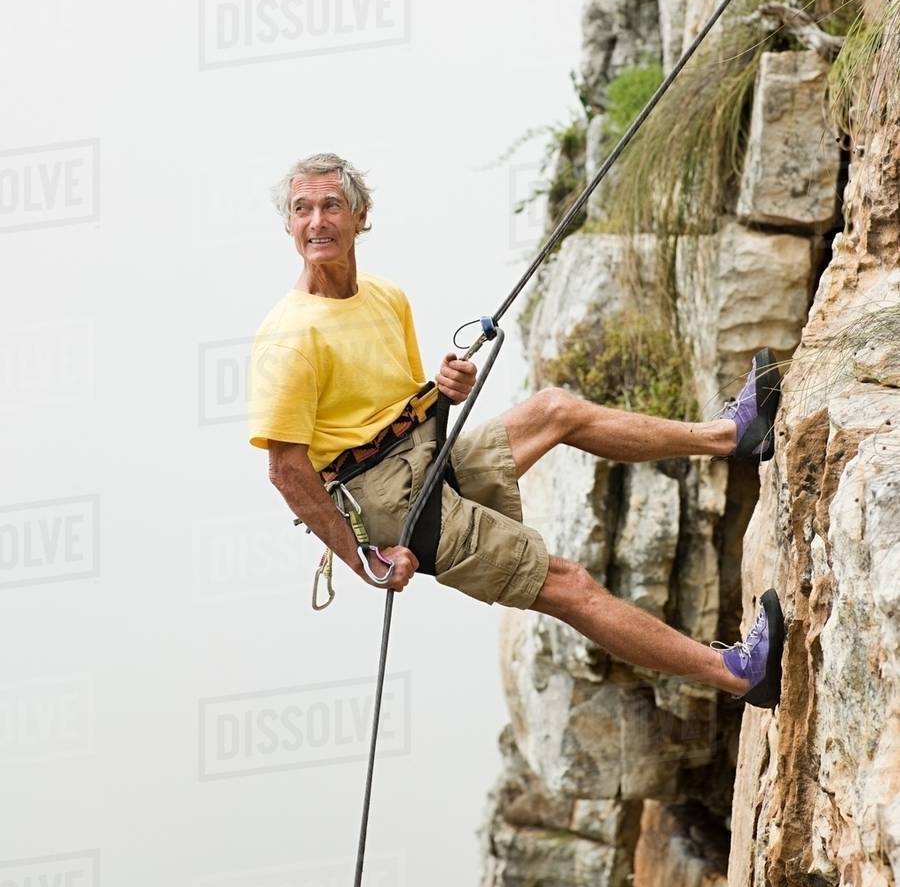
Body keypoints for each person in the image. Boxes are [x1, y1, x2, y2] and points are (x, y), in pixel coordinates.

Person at [249, 153, 785, 710]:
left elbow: (388, 407)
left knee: (556, 410)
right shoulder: (289, 336)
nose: (317, 222)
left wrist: (443, 387)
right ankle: (741, 676)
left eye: (331, 205)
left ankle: (730, 436)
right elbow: (286, 470)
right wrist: (366, 562)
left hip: (421, 458)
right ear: (288, 225)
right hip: (384, 503)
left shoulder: (384, 297)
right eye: (301, 209)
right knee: (567, 583)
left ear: (361, 216)